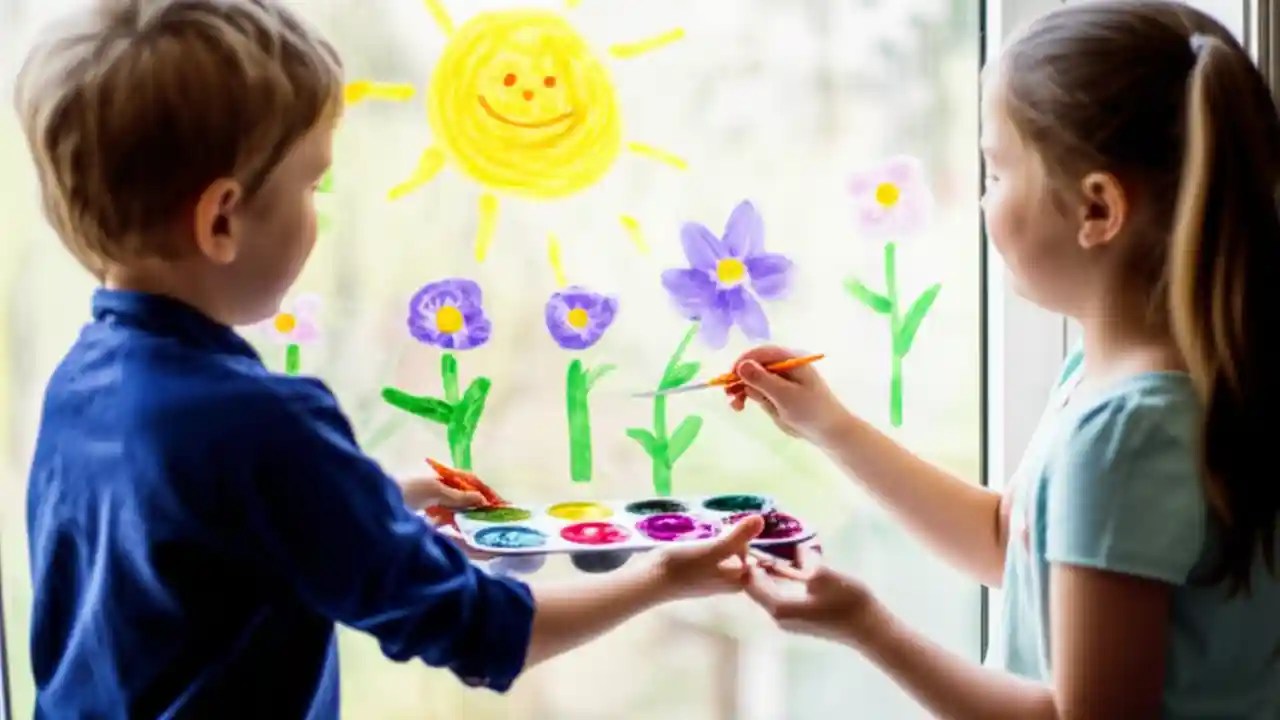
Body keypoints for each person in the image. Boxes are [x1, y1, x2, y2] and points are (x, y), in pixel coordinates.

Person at [14, 1, 763, 717]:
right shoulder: (262, 424)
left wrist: (367, 495)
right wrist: (668, 575)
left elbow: (197, 532)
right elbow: (480, 633)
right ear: (220, 220)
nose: (319, 209)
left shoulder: (83, 382)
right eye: (313, 183)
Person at [727, 1, 1280, 718]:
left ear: (1097, 210)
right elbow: (1009, 545)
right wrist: (828, 424)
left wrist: (866, 626)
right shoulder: (1125, 376)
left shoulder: (1127, 432)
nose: (984, 202)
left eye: (995, 171)